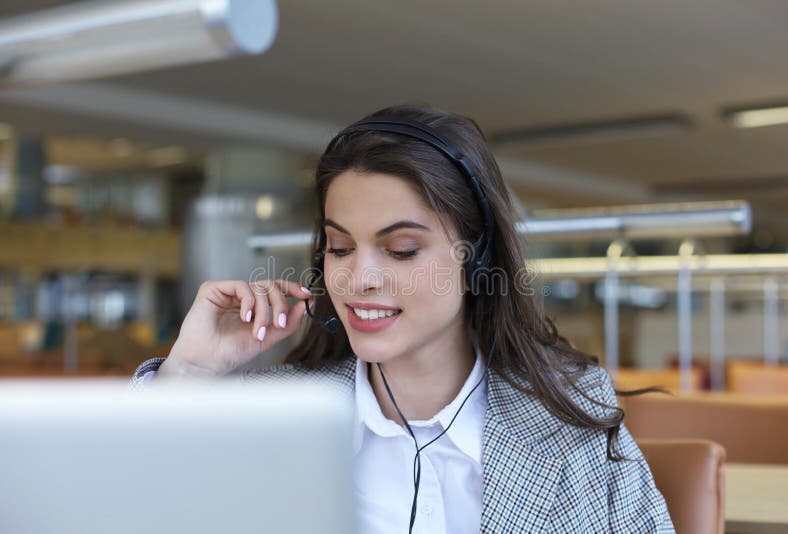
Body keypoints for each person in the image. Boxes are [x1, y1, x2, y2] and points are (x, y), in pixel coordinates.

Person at [129, 104, 674, 533]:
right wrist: (189, 376)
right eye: (340, 248)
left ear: (475, 258)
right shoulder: (274, 415)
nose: (359, 278)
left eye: (401, 249)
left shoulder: (569, 415)